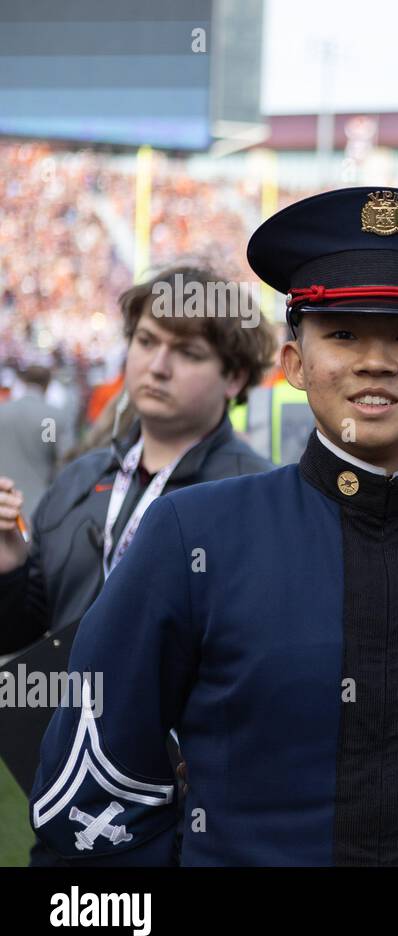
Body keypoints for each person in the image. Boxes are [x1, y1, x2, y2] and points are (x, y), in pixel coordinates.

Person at [29, 187, 398, 865]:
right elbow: (97, 794)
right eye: (342, 332)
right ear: (293, 363)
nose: (374, 359)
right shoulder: (192, 533)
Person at [0, 264, 276, 659]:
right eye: (146, 341)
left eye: (187, 352)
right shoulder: (78, 480)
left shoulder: (259, 496)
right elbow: (22, 637)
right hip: (69, 718)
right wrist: (8, 568)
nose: (158, 366)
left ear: (234, 377)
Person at [0, 364, 62, 517]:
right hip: (36, 503)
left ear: (24, 381)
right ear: (47, 384)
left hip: (4, 498)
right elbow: (58, 456)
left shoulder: (3, 411)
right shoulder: (50, 417)